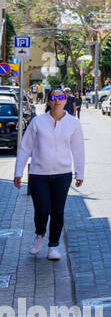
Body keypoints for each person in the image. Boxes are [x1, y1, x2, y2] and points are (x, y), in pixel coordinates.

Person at [13, 87, 85, 261]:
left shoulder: (73, 123)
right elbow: (25, 148)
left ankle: (54, 246)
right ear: (48, 101)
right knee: (42, 209)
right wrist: (18, 172)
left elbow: (78, 149)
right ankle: (40, 235)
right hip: (39, 173)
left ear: (65, 100)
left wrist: (79, 173)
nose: (57, 100)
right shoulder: (37, 122)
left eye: (61, 97)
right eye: (53, 97)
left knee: (57, 211)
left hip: (63, 173)